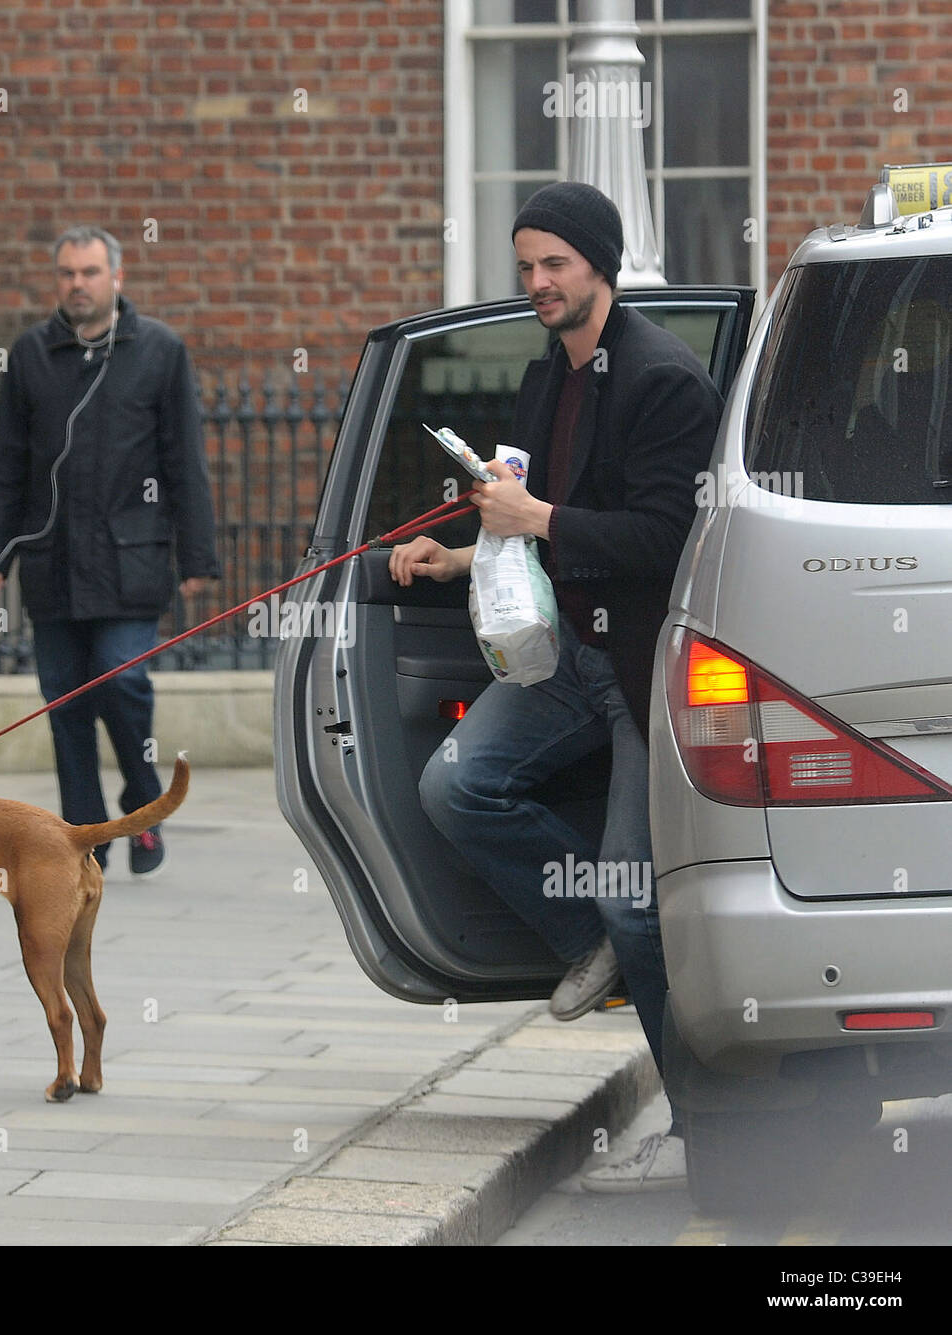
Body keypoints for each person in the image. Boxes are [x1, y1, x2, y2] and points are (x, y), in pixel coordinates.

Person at [390, 182, 724, 1191]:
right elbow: (533, 513)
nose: (537, 283)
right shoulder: (550, 375)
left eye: (555, 265)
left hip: (640, 667)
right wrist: (456, 557)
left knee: (639, 901)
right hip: (565, 651)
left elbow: (668, 536)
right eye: (526, 264)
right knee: (456, 786)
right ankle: (593, 942)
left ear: (600, 268)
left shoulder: (665, 381)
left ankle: (707, 1128)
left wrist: (532, 519)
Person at [0, 226, 219, 877]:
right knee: (65, 703)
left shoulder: (159, 351)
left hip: (129, 560)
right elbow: (5, 462)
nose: (76, 284)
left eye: (88, 272)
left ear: (117, 276)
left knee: (121, 676)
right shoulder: (30, 355)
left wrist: (198, 557)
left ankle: (141, 799)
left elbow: (183, 461)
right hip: (51, 563)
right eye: (66, 273)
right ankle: (82, 838)